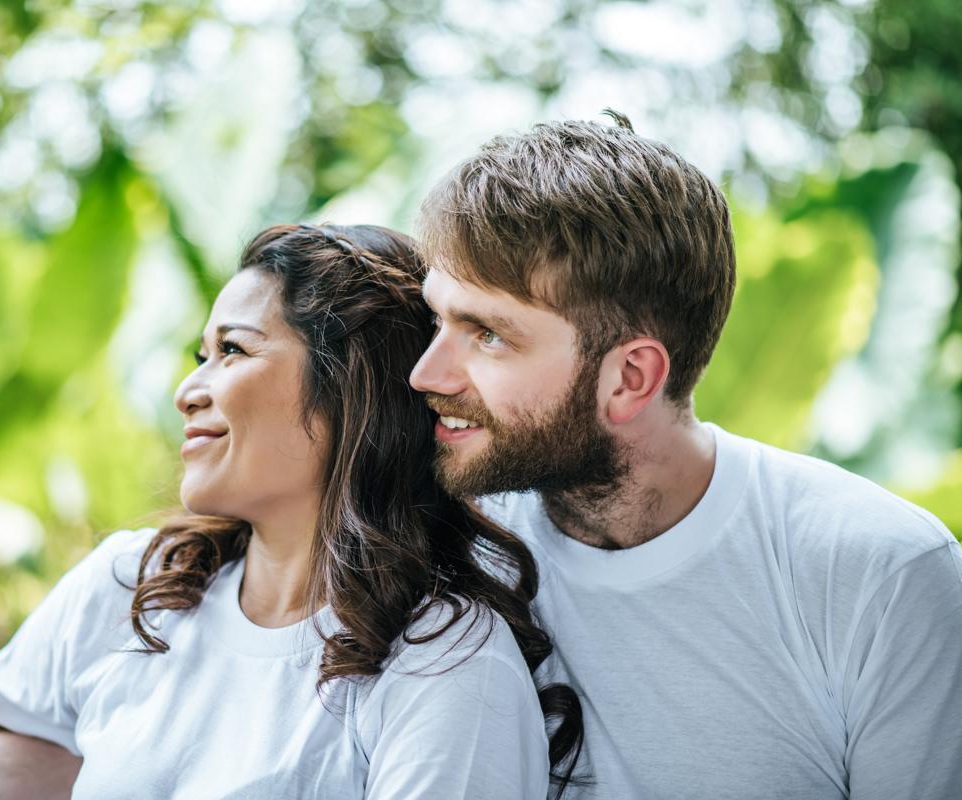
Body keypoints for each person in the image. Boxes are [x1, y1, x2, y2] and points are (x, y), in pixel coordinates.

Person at [0, 224, 582, 798]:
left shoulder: (446, 667)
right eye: (200, 355)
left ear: (352, 389)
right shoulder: (145, 582)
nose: (189, 389)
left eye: (231, 351)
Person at [408, 115, 962, 799]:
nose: (426, 374)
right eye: (438, 319)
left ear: (630, 379)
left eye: (488, 334)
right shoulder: (451, 547)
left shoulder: (881, 574)